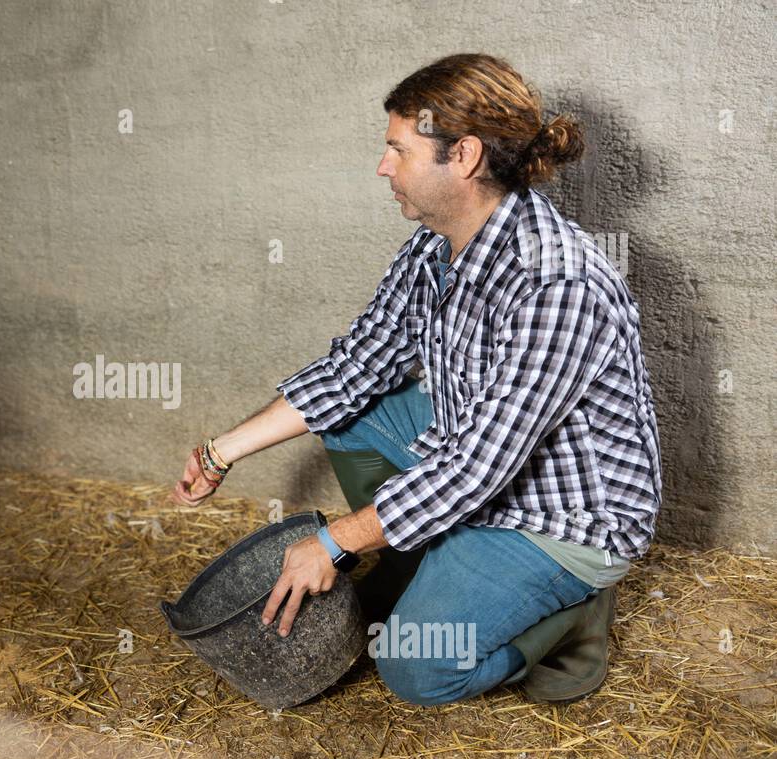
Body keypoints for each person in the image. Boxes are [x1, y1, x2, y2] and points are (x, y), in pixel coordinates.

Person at [171, 54, 662, 706]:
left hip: (561, 520)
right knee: (351, 409)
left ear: (461, 157)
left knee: (412, 665)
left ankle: (570, 625)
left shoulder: (556, 282)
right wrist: (219, 452)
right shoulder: (437, 243)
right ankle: (422, 560)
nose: (383, 167)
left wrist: (334, 542)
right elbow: (354, 368)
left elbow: (476, 470)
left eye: (397, 151)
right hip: (475, 460)